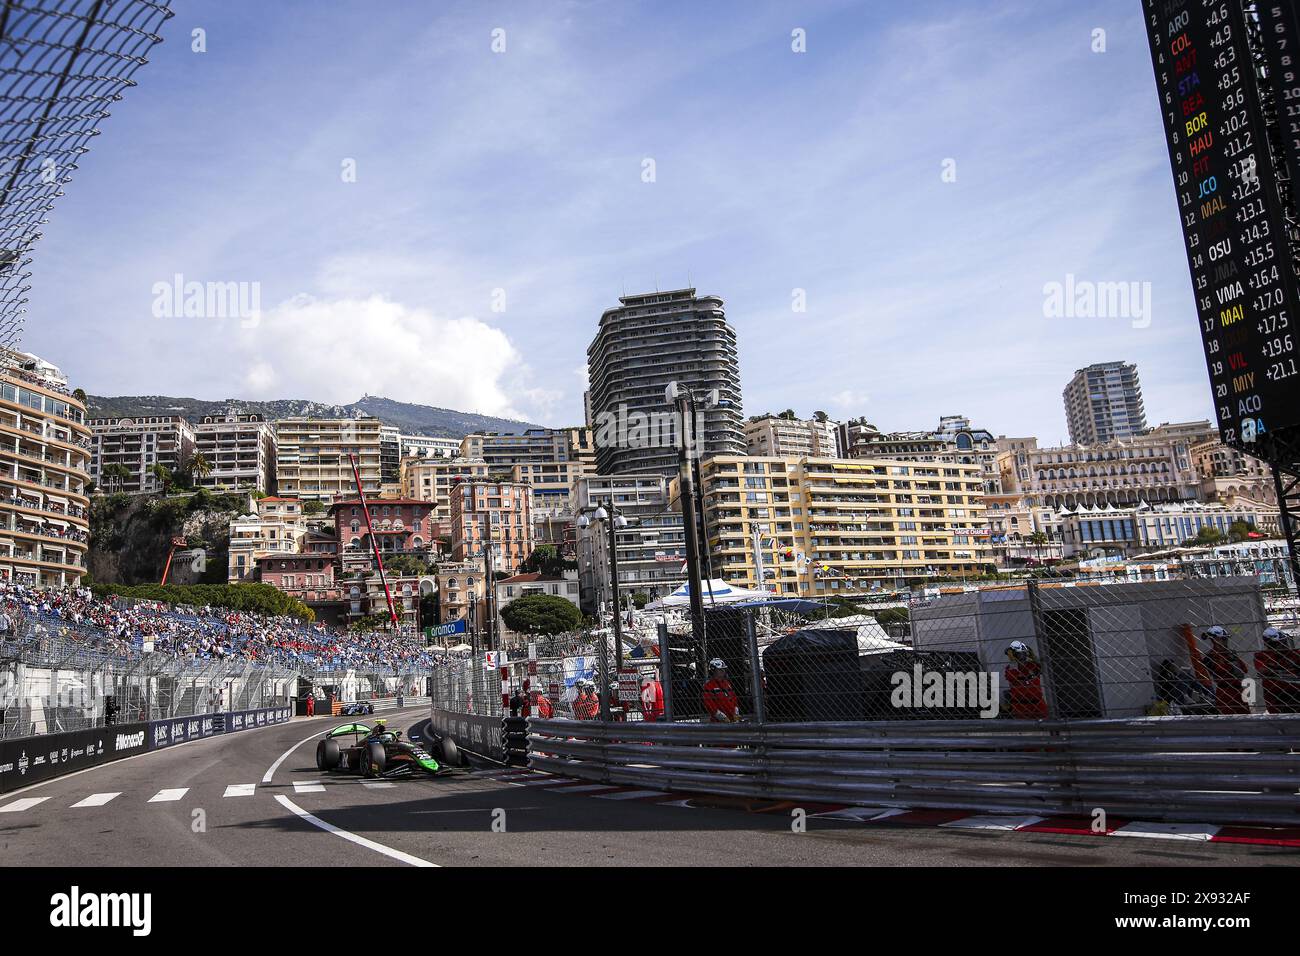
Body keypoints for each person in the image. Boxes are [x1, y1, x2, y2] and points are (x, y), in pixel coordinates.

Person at [1200, 626, 1249, 715]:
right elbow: (1221, 671)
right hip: (1225, 691)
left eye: (1225, 639)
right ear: (1214, 640)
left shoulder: (1231, 653)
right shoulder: (1209, 657)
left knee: (1246, 716)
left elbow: (1244, 669)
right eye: (1222, 639)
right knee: (1229, 717)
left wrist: (1230, 660)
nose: (1225, 641)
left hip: (1239, 690)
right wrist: (1229, 663)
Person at [1254, 627, 1300, 714]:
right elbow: (1263, 670)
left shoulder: (1293, 654)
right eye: (1281, 643)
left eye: (1285, 642)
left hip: (1296, 692)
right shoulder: (1262, 656)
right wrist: (1291, 671)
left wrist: (1277, 671)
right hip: (1276, 696)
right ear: (1272, 644)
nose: (1285, 645)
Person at [1004, 640, 1047, 719]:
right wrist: (1013, 661)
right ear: (1014, 655)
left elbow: (1044, 669)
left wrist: (1034, 658)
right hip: (1020, 705)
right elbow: (1014, 677)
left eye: (1024, 654)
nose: (1022, 656)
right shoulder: (1011, 668)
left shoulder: (1033, 665)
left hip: (1037, 703)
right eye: (1019, 654)